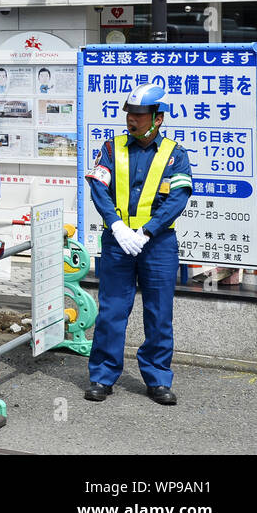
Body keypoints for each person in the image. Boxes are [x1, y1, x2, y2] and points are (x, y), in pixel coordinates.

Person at [83, 83, 191, 406]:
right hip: (117, 243)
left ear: (157, 118)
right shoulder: (110, 147)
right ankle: (102, 376)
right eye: (130, 113)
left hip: (157, 244)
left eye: (140, 114)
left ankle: (158, 378)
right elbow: (98, 188)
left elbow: (178, 198)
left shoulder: (175, 154)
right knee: (112, 310)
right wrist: (116, 226)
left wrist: (147, 231)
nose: (132, 119)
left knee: (159, 313)